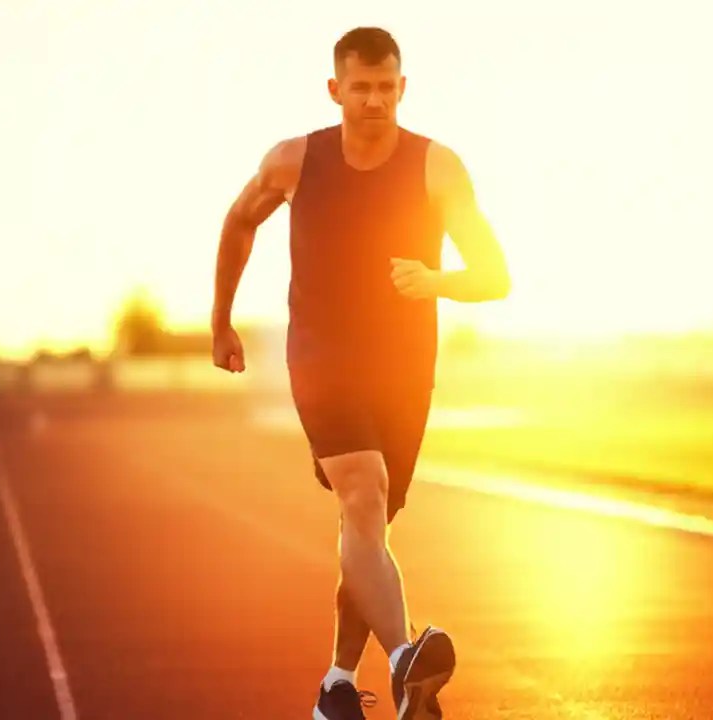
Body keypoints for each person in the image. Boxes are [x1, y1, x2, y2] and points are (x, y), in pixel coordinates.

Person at [210, 26, 511, 720]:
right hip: (321, 354)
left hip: (405, 368)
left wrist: (435, 279)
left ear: (402, 89)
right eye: (360, 87)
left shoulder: (438, 167)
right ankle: (406, 657)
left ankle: (336, 688)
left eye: (386, 88)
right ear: (335, 89)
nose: (374, 100)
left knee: (367, 528)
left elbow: (495, 275)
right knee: (363, 493)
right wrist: (220, 319)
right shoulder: (295, 161)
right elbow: (238, 222)